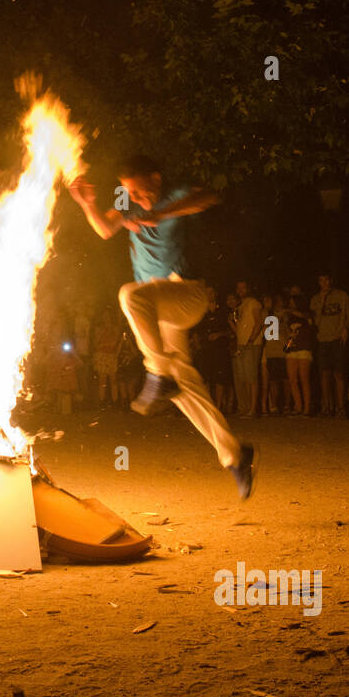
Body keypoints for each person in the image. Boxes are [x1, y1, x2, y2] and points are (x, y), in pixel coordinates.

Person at [67, 154, 254, 498]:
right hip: (159, 306)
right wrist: (88, 204)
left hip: (187, 294)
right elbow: (106, 228)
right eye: (129, 194)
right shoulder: (128, 204)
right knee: (185, 384)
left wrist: (161, 214)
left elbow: (210, 197)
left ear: (155, 178)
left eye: (139, 192)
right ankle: (235, 455)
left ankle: (158, 375)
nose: (135, 200)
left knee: (129, 295)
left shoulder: (176, 193)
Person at [309, 273, 349, 418]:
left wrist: (346, 327)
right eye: (321, 280)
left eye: (326, 279)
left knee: (339, 373)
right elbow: (316, 322)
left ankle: (341, 408)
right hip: (322, 340)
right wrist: (321, 302)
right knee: (324, 374)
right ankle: (327, 407)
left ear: (331, 280)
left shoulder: (342, 295)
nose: (324, 283)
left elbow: (348, 315)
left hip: (337, 338)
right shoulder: (315, 299)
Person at [231, 280, 263, 418]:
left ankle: (253, 409)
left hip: (251, 344)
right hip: (241, 344)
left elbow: (259, 322)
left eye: (243, 287)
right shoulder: (241, 305)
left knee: (251, 377)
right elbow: (239, 328)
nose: (240, 290)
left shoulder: (253, 303)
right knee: (244, 378)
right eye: (238, 287)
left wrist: (251, 339)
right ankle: (247, 408)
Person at [283, 296, 316, 417]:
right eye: (290, 303)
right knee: (292, 380)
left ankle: (306, 409)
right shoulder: (289, 317)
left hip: (304, 349)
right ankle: (298, 407)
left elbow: (309, 322)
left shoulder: (307, 315)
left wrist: (289, 311)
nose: (291, 305)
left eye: (293, 303)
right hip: (292, 349)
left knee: (304, 379)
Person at [261, 291, 288, 415]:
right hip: (272, 351)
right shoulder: (268, 315)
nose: (278, 304)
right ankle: (274, 406)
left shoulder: (287, 315)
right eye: (275, 302)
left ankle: (287, 405)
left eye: (280, 301)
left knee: (286, 380)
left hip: (285, 352)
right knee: (274, 381)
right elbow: (267, 333)